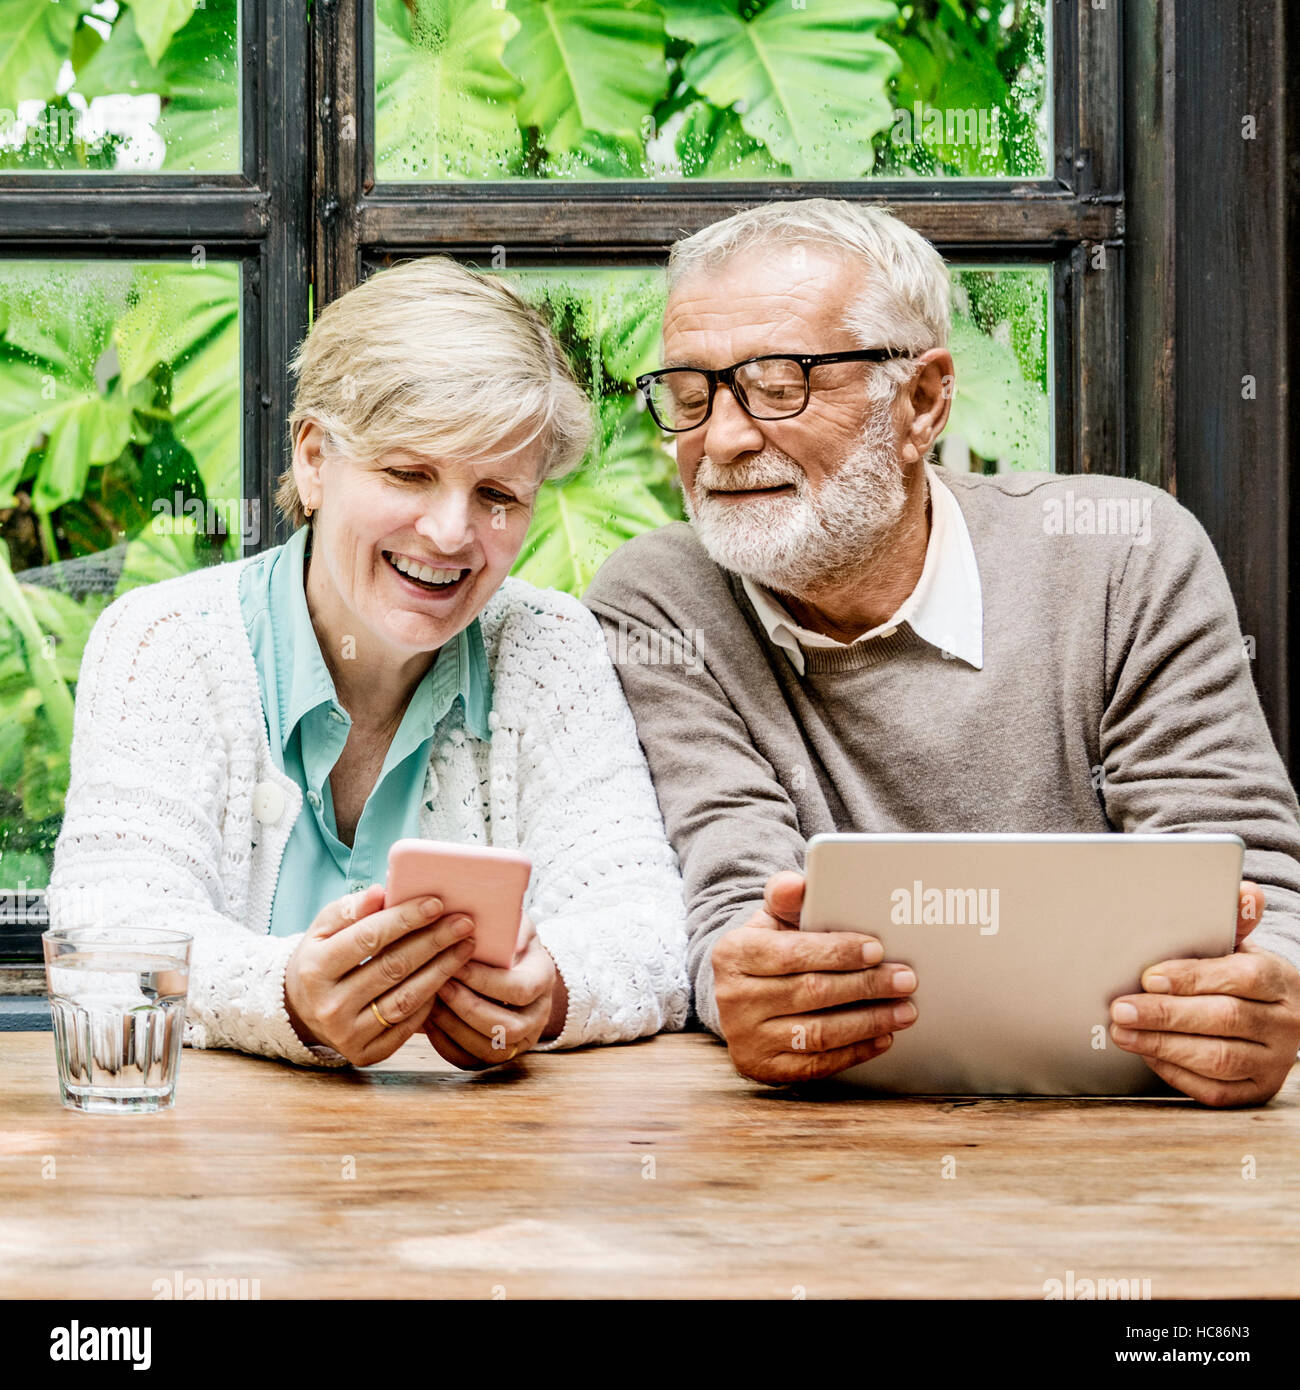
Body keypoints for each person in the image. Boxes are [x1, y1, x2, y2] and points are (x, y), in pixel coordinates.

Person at [584, 197, 1300, 1107]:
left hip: (1135, 1126)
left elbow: (1247, 878)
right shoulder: (660, 601)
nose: (722, 439)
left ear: (921, 403)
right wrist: (748, 988)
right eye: (690, 396)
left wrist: (1261, 989)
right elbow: (731, 888)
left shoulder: (1126, 552)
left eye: (780, 385)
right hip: (813, 1146)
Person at [48, 256, 689, 1070]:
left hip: (484, 1170)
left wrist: (551, 986)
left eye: (498, 495)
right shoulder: (164, 637)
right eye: (410, 473)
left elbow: (650, 932)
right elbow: (108, 939)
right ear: (314, 460)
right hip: (219, 1174)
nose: (453, 533)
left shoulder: (550, 644)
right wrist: (289, 994)